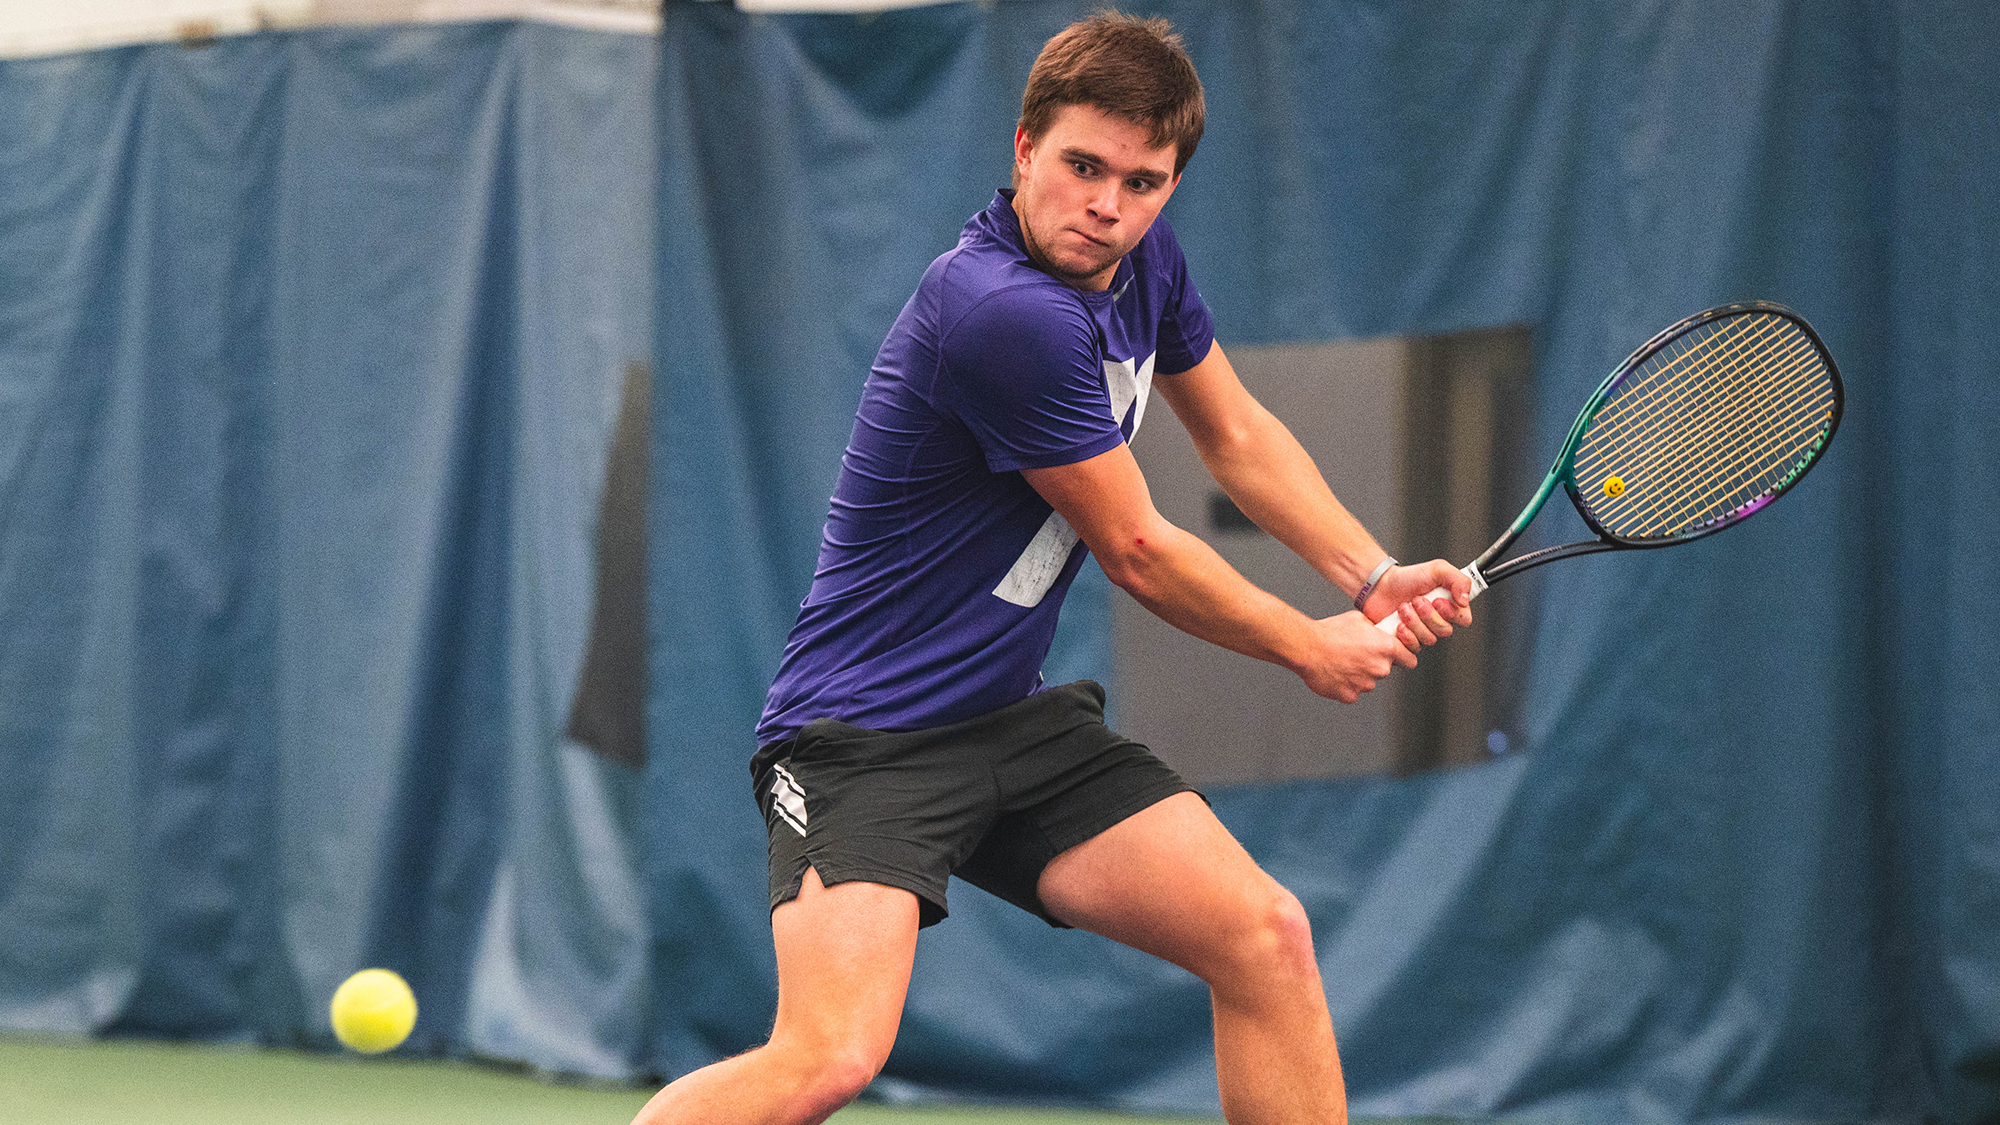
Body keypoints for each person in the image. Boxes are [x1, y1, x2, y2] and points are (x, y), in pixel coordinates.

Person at [632, 13, 1472, 1125]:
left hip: (1008, 722)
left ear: (1169, 187)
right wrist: (1307, 644)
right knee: (829, 1056)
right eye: (1082, 167)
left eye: (1141, 182)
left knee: (1264, 937)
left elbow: (1235, 436)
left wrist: (1368, 575)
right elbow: (1138, 549)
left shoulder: (1143, 264)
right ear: (1025, 148)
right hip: (862, 739)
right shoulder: (1000, 313)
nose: (1107, 205)